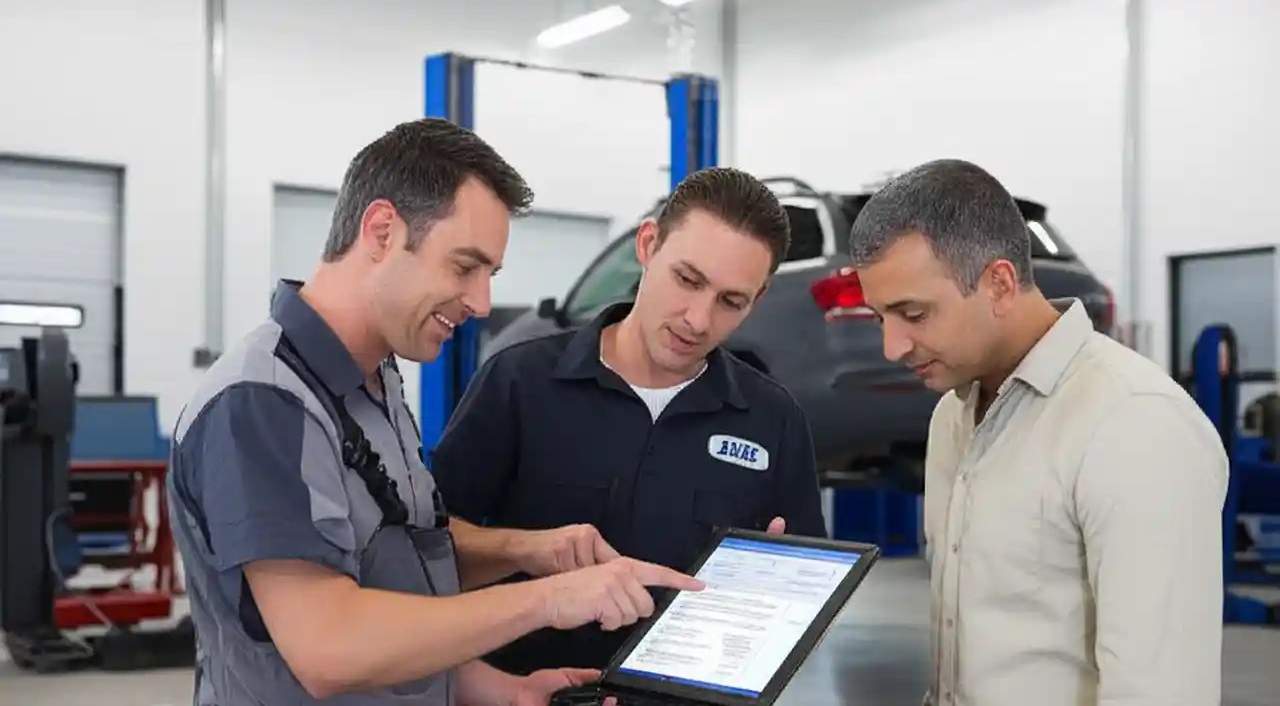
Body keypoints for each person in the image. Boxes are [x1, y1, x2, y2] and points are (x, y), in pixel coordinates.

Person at [166, 118, 703, 706]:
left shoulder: (376, 384)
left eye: (489, 275)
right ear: (381, 230)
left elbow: (397, 590)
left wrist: (507, 685)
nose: (481, 302)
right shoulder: (264, 403)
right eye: (464, 266)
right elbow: (329, 646)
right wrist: (550, 599)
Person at [846, 158, 1228, 706]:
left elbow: (1160, 692)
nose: (893, 347)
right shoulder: (952, 417)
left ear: (999, 284)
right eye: (880, 317)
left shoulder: (1134, 423)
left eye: (914, 313)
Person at [430, 166, 827, 676]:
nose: (698, 320)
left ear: (759, 298)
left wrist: (778, 590)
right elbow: (425, 549)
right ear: (647, 244)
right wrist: (524, 550)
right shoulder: (519, 382)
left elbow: (802, 612)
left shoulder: (775, 422)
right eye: (688, 280)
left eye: (731, 302)